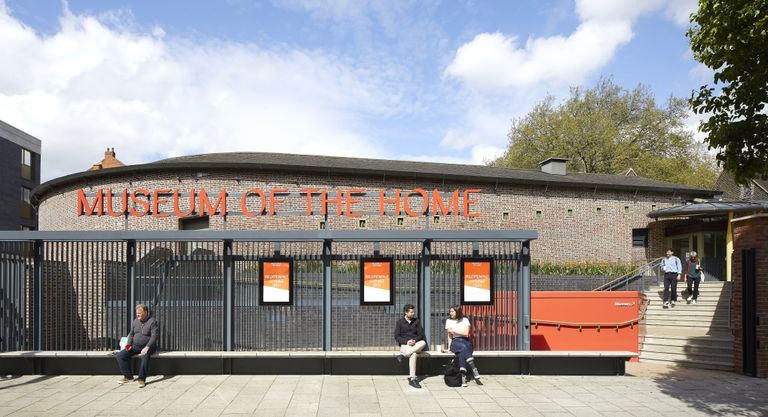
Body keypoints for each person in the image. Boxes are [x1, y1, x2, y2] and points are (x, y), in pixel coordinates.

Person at [116, 304, 158, 388]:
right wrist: (128, 345)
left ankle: (141, 379)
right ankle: (128, 377)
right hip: (135, 346)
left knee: (145, 356)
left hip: (148, 347)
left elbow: (154, 336)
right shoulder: (135, 321)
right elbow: (131, 334)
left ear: (145, 312)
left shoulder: (152, 321)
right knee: (120, 355)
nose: (137, 315)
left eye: (139, 313)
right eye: (137, 313)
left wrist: (147, 347)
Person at [444, 305, 481, 386]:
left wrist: (453, 330)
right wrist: (449, 347)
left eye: (452, 311)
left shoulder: (465, 320)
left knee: (462, 351)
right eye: (450, 311)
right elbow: (450, 336)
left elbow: (465, 333)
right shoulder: (448, 321)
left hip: (465, 341)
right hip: (455, 342)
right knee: (464, 347)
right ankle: (474, 368)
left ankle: (463, 377)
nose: (450, 313)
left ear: (457, 312)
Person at [394, 303, 427, 388]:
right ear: (406, 312)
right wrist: (407, 341)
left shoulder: (416, 321)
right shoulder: (400, 322)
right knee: (414, 354)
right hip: (405, 345)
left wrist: (415, 340)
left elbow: (421, 334)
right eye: (411, 312)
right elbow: (397, 337)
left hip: (416, 345)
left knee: (423, 342)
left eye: (413, 312)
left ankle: (403, 355)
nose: (413, 313)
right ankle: (412, 379)